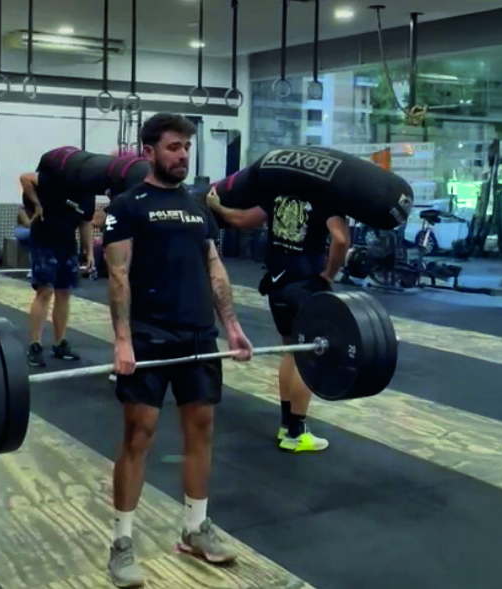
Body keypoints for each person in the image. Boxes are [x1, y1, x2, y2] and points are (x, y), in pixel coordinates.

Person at [101, 112, 254, 587]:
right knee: (139, 435)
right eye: (173, 147)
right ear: (149, 152)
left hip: (197, 333)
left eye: (187, 146)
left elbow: (214, 267)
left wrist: (232, 326)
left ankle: (195, 528)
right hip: (149, 333)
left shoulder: (198, 208)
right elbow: (118, 274)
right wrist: (123, 341)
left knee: (201, 429)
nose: (183, 155)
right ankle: (121, 543)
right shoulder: (127, 206)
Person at [205, 186, 350, 453]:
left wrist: (217, 206)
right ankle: (296, 432)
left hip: (277, 286)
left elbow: (243, 220)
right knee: (308, 356)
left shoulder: (278, 191)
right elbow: (340, 240)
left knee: (290, 351)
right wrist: (329, 275)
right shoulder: (325, 196)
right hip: (306, 285)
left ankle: (287, 425)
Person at [18, 169, 96, 367]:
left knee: (64, 292)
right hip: (44, 241)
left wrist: (89, 252)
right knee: (44, 291)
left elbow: (85, 223)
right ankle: (35, 345)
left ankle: (60, 343)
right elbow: (25, 178)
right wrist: (37, 205)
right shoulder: (57, 179)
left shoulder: (88, 194)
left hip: (67, 245)